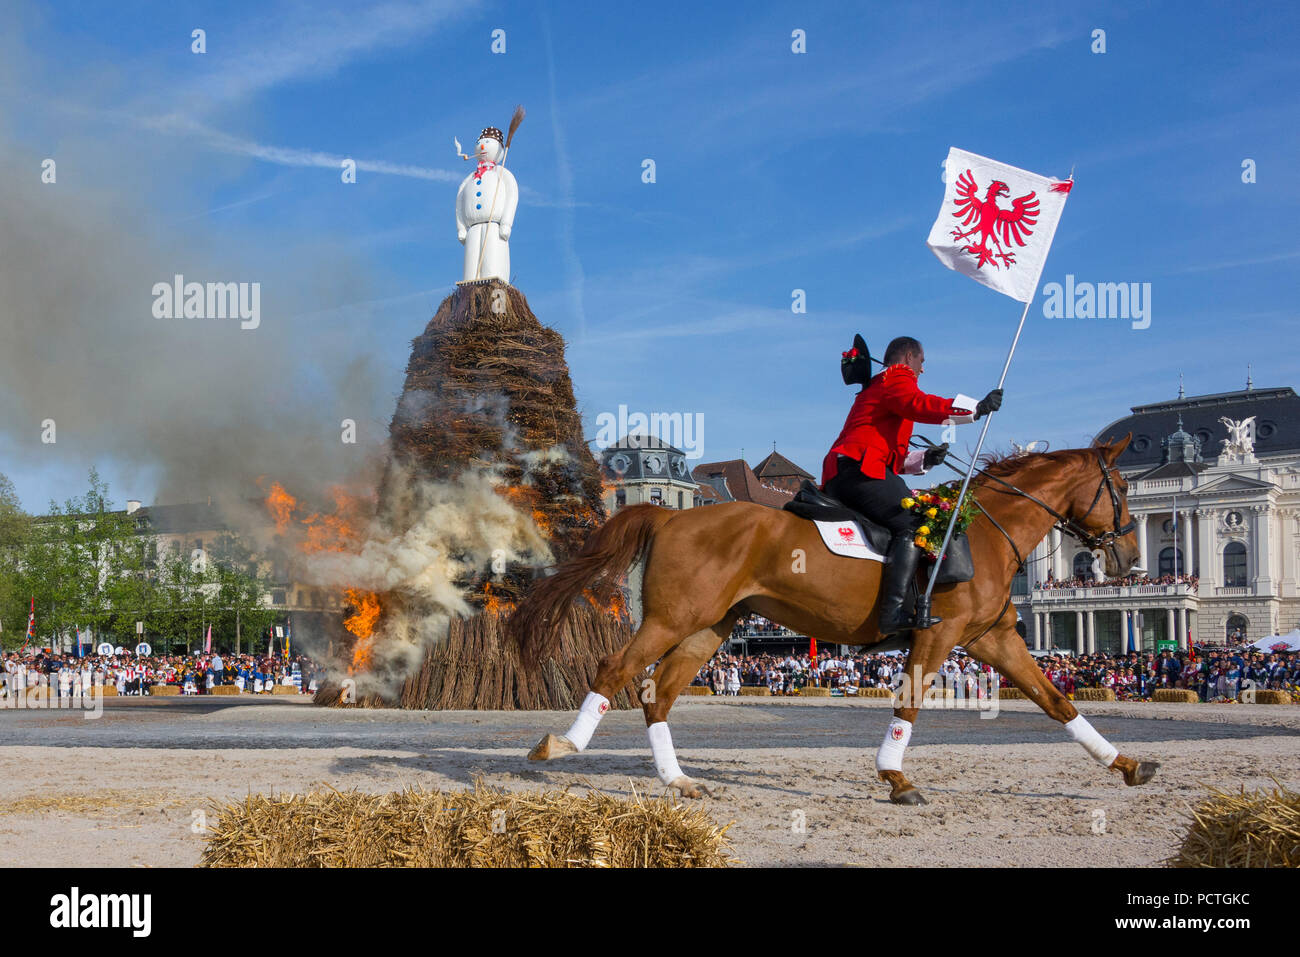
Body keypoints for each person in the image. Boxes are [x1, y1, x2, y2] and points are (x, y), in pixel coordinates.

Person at [820, 334, 1002, 634]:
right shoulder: (897, 376)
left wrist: (925, 459)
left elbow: (888, 455)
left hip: (846, 469)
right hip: (858, 468)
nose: (922, 370)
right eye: (921, 362)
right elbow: (918, 404)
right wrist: (975, 409)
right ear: (908, 358)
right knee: (917, 522)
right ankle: (892, 614)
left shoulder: (879, 385)